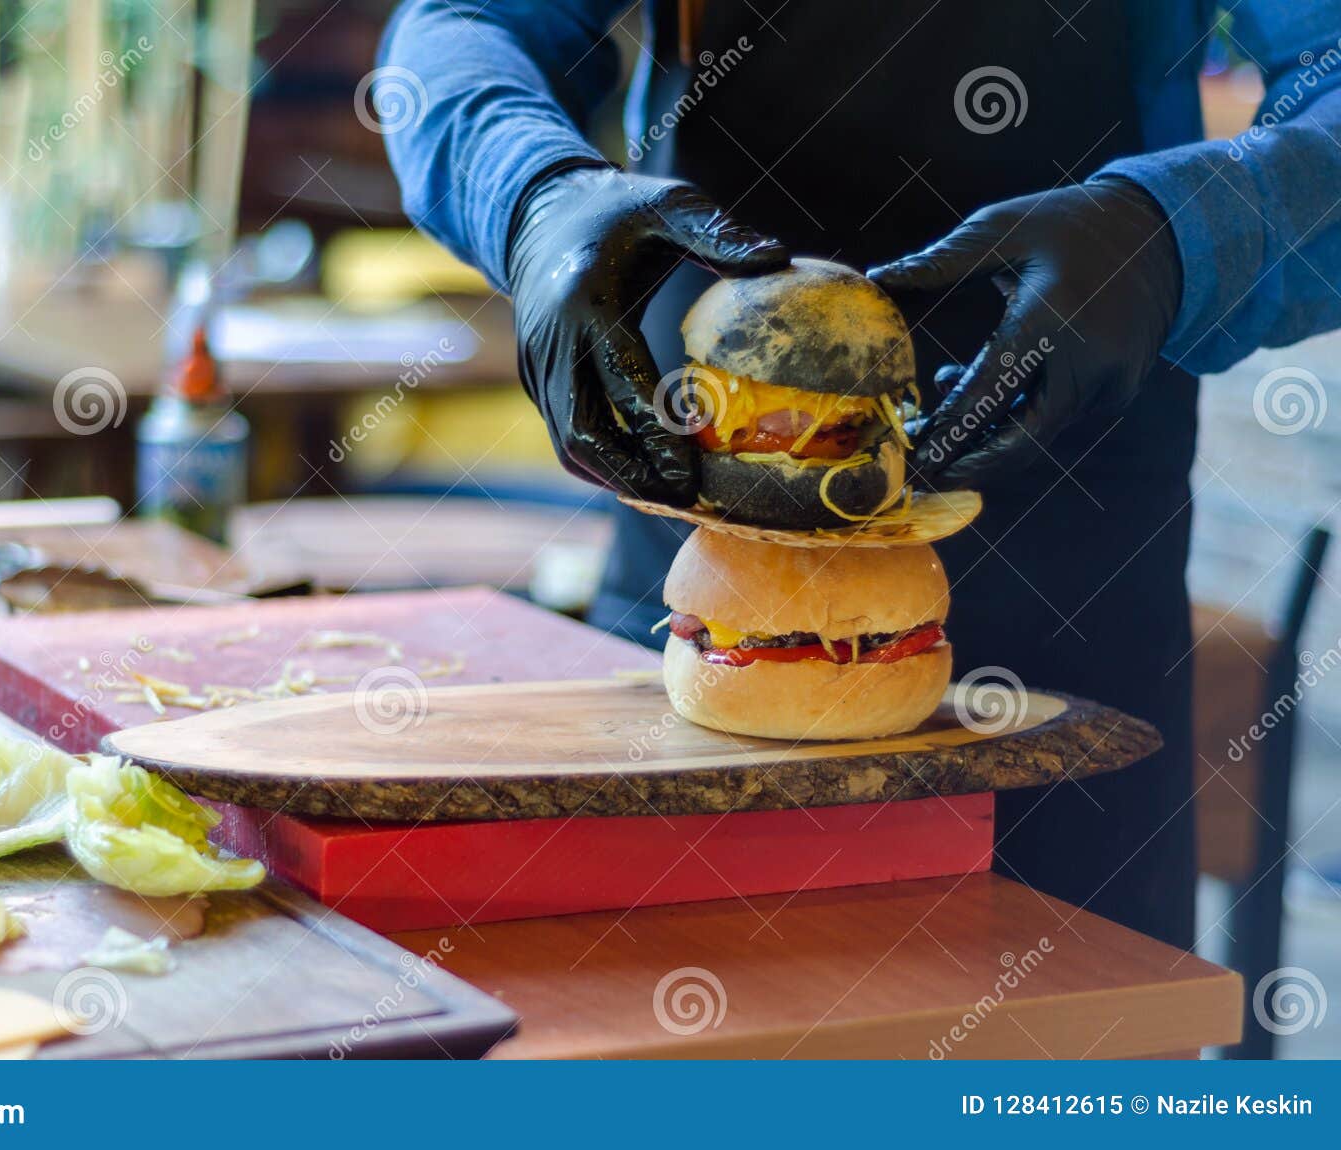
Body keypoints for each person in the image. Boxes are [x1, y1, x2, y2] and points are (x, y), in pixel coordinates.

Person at [376, 1, 1341, 950]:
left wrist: (1179, 235)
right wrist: (533, 192)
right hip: (701, 560)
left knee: (1061, 1059)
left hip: (1072, 563)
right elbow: (463, 29)